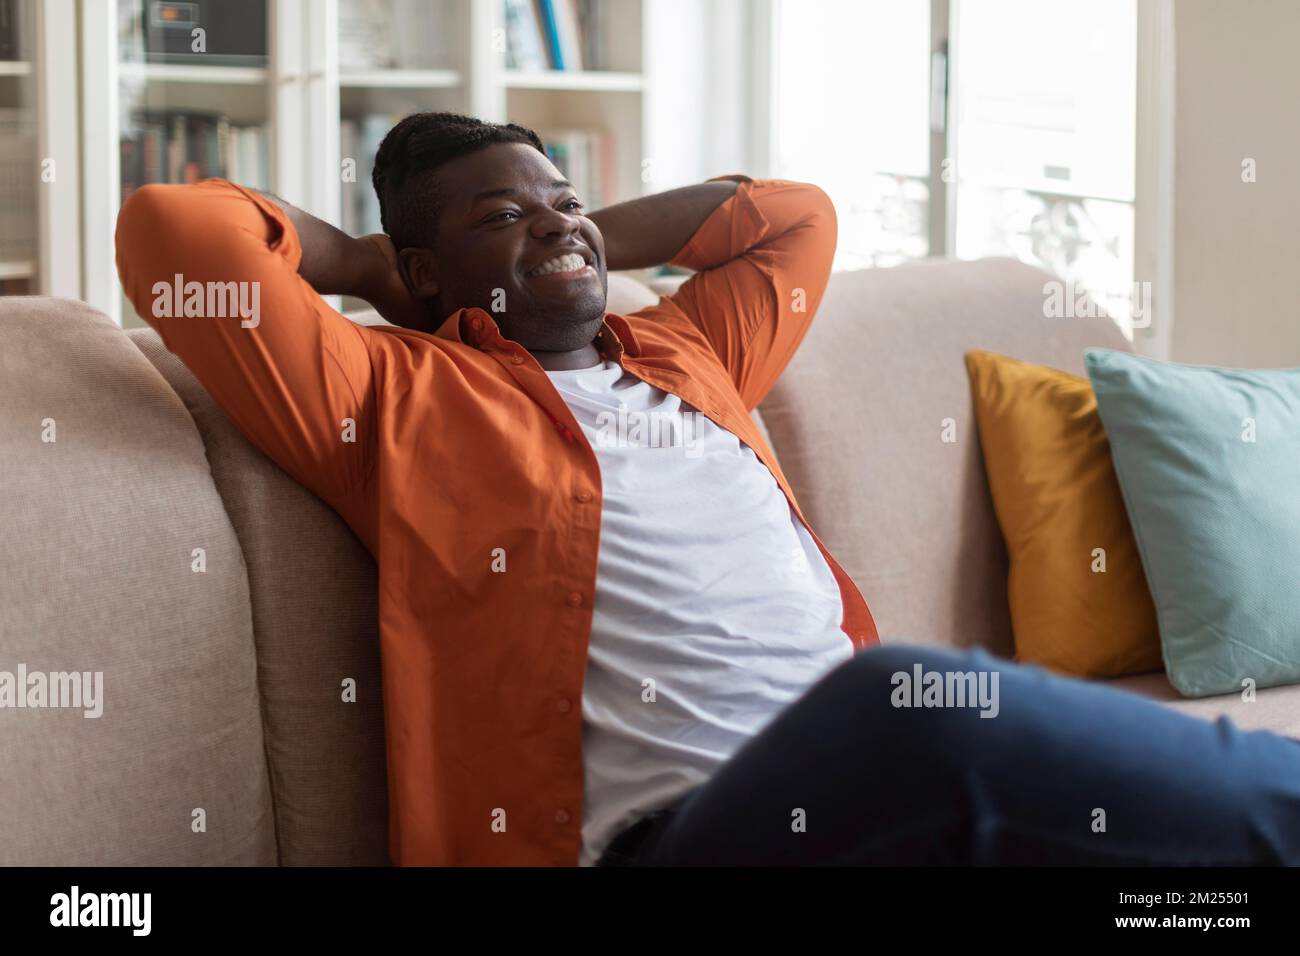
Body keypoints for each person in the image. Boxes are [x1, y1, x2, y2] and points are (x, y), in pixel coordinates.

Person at [114, 112, 1300, 867]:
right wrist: (372, 269)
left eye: (566, 199)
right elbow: (172, 231)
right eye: (503, 216)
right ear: (424, 272)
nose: (558, 225)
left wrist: (570, 232)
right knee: (914, 700)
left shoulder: (687, 350)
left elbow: (793, 217)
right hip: (683, 833)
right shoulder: (391, 389)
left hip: (868, 812)